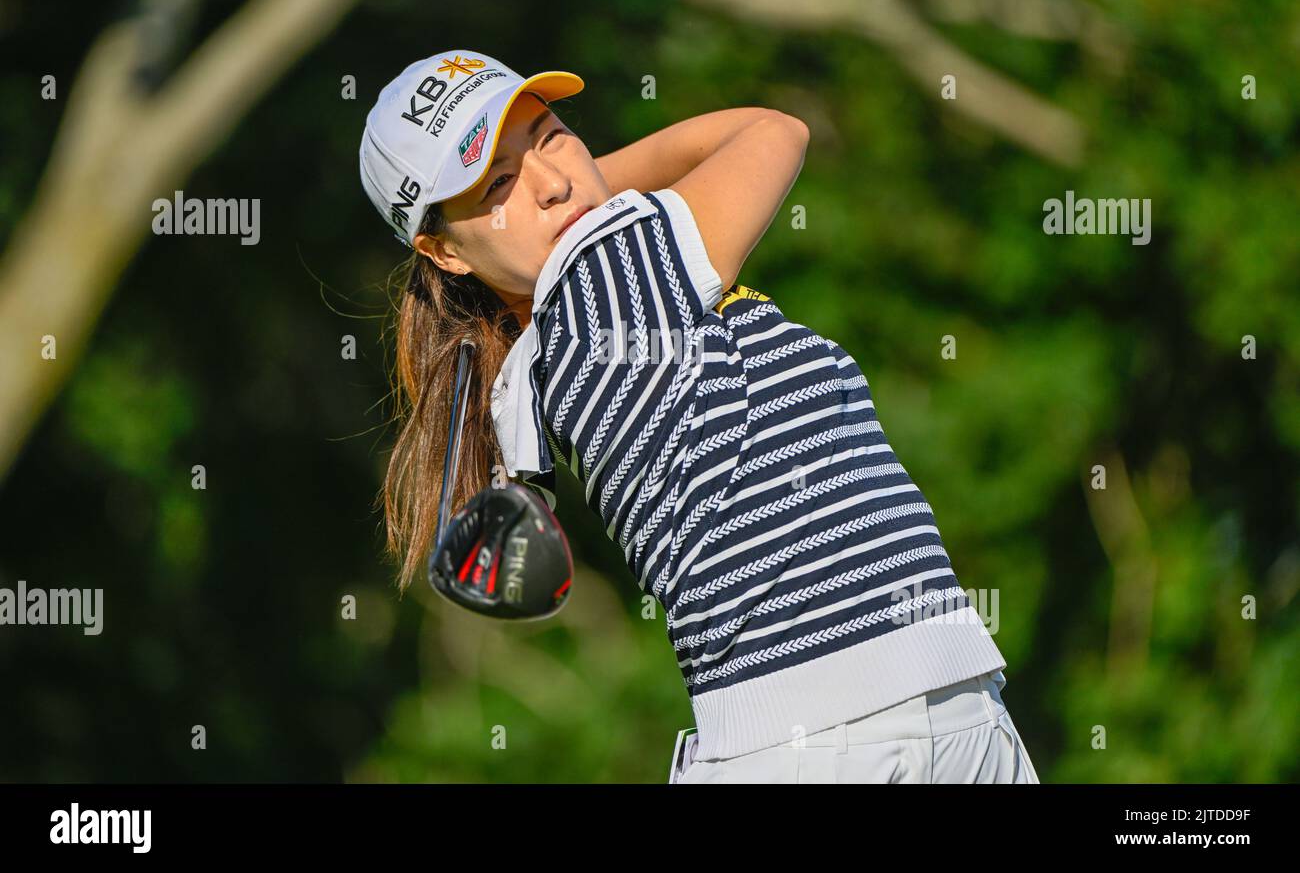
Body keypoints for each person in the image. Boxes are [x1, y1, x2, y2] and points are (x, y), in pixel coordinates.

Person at [359, 49, 1040, 783]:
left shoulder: (532, 366)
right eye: (498, 182)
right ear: (442, 251)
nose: (552, 182)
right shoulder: (607, 265)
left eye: (551, 135)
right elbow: (773, 132)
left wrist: (553, 197)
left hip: (908, 719)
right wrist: (591, 189)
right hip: (845, 741)